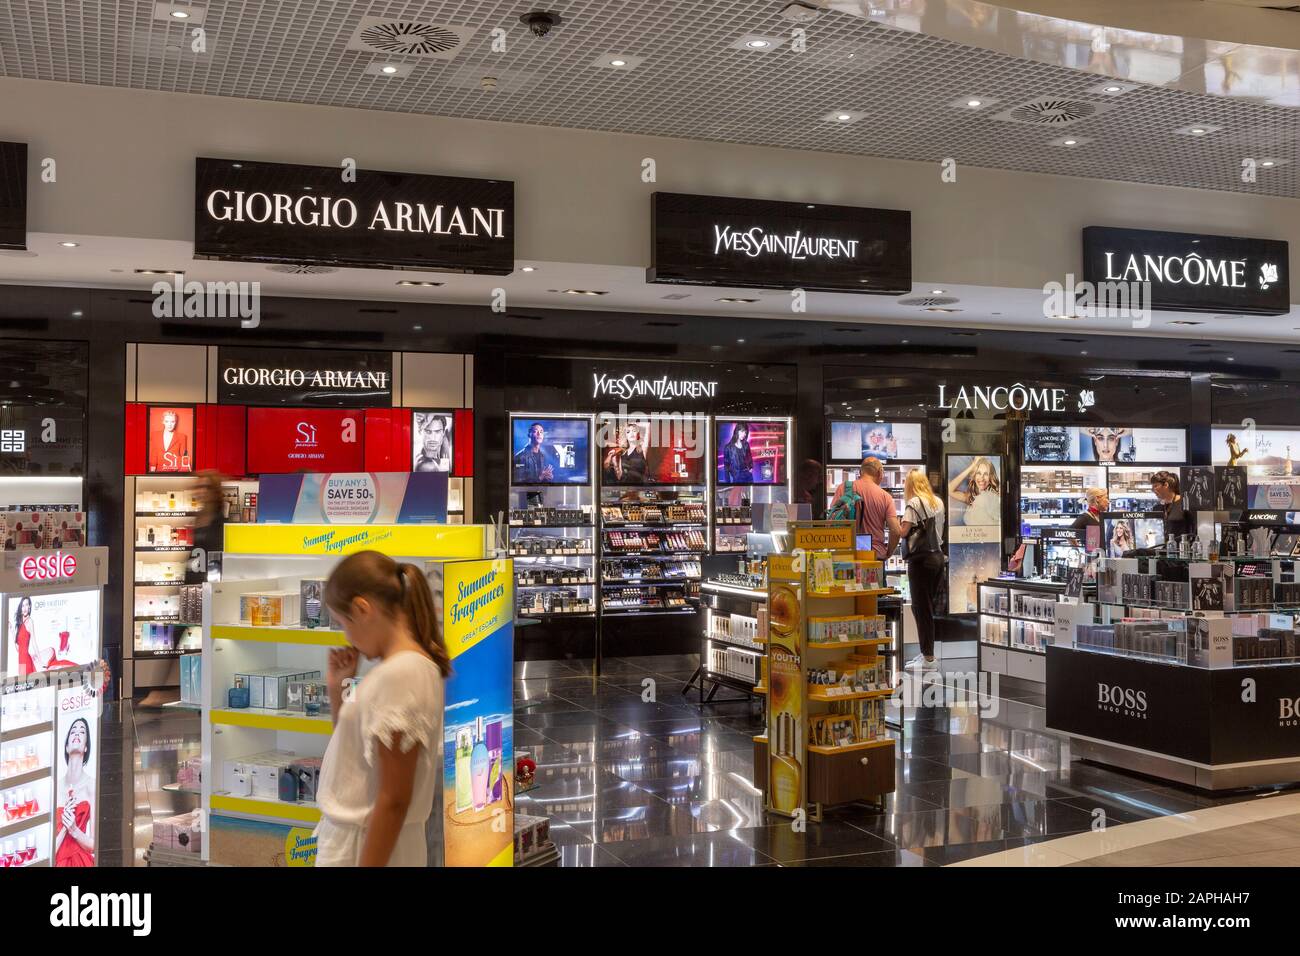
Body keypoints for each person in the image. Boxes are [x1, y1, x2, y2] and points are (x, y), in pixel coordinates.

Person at [315, 551, 450, 867]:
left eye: (343, 623)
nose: (346, 637)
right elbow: (358, 758)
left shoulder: (401, 674)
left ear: (363, 609)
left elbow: (394, 799)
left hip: (364, 849)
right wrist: (339, 690)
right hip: (361, 843)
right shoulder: (401, 670)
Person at [899, 469, 946, 670]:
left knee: (921, 608)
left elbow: (903, 531)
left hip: (920, 560)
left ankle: (928, 657)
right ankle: (927, 653)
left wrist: (891, 521)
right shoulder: (938, 502)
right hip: (937, 557)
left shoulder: (914, 503)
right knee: (927, 608)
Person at [831, 457, 900, 558]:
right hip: (875, 555)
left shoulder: (843, 488)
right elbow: (896, 531)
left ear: (860, 472)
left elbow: (832, 519)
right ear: (880, 472)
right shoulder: (886, 497)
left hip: (847, 554)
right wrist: (888, 553)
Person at [54, 718, 95, 867]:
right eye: (73, 731)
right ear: (66, 746)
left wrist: (74, 829)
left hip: (81, 861)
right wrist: (65, 828)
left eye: (82, 731)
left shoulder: (91, 785)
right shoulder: (54, 787)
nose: (77, 733)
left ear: (85, 747)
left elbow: (94, 844)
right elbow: (49, 849)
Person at [948, 457, 1001, 526]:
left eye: (986, 474)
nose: (981, 478)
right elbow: (949, 489)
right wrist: (973, 466)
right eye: (978, 473)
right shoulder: (972, 497)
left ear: (991, 477)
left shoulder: (994, 496)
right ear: (974, 476)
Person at [1151, 470, 1190, 539]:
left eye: (1155, 486)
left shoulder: (1184, 503)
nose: (1153, 490)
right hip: (1161, 548)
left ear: (1166, 485)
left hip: (1181, 548)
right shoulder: (1157, 508)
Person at [13, 595, 35, 677]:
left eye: (27, 605)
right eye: (23, 605)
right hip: (21, 661)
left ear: (29, 606)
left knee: (27, 685)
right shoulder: (20, 623)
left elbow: (34, 643)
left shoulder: (30, 622)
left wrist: (40, 660)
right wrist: (12, 630)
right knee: (23, 686)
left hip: (26, 660)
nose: (25, 608)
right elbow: (18, 649)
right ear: (20, 608)